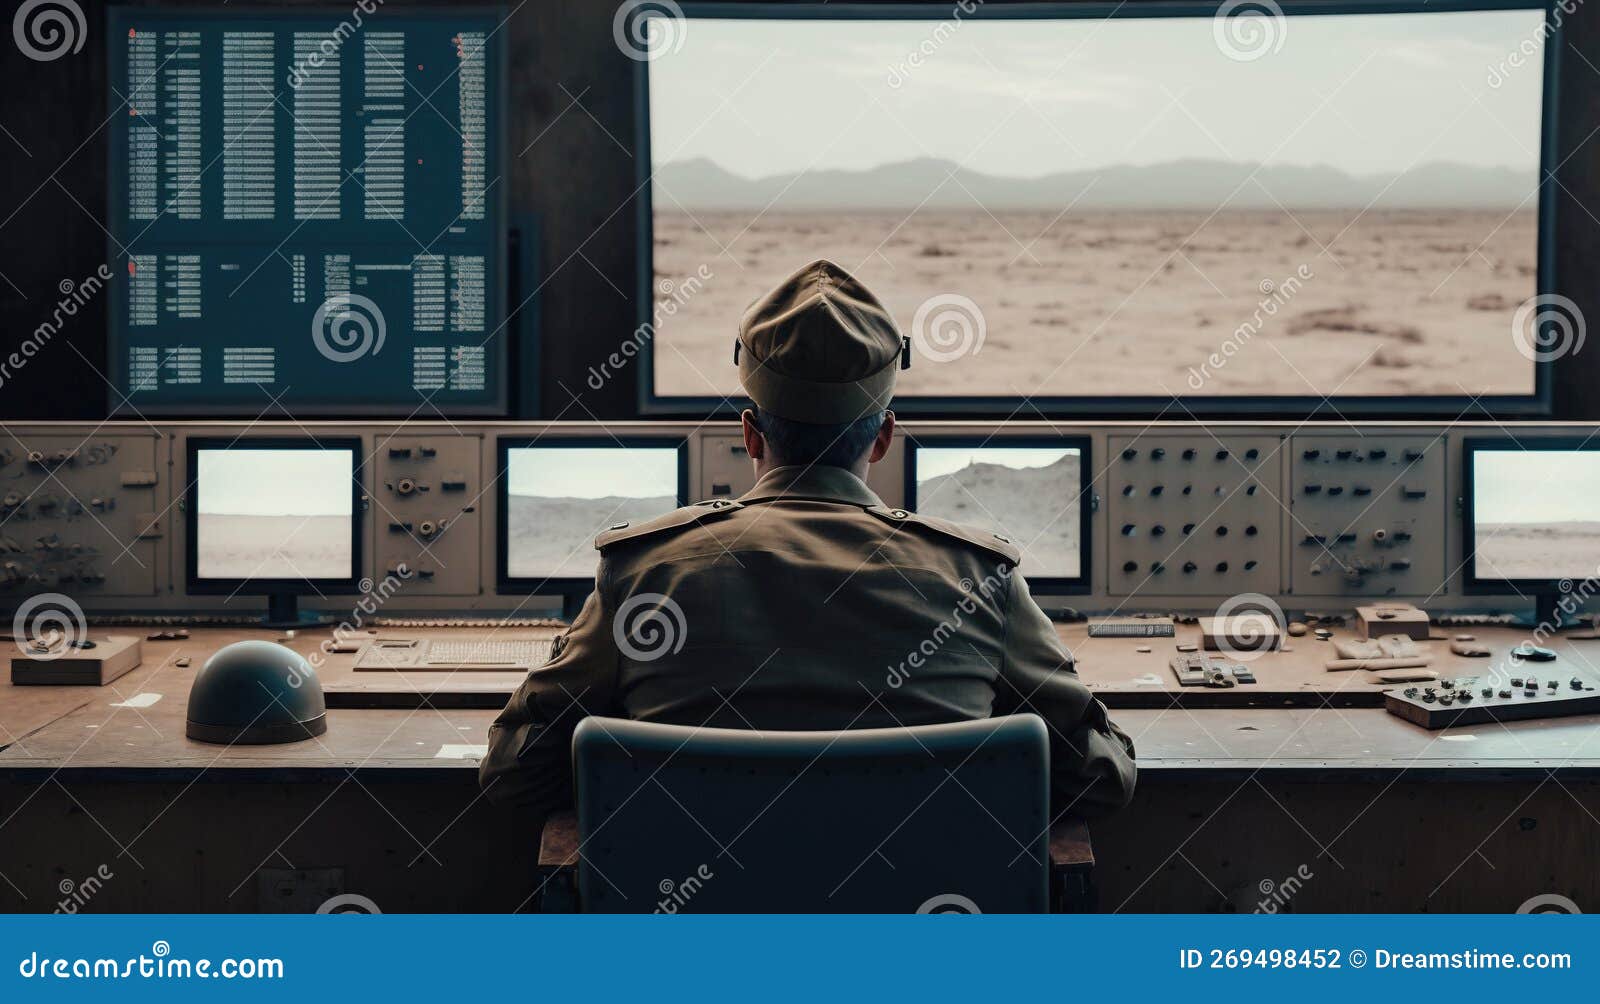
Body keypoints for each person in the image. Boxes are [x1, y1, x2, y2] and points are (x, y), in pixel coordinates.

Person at [481, 259, 1135, 821]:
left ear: (749, 434)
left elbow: (514, 773)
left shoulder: (643, 573)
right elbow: (1100, 777)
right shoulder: (980, 579)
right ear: (882, 438)